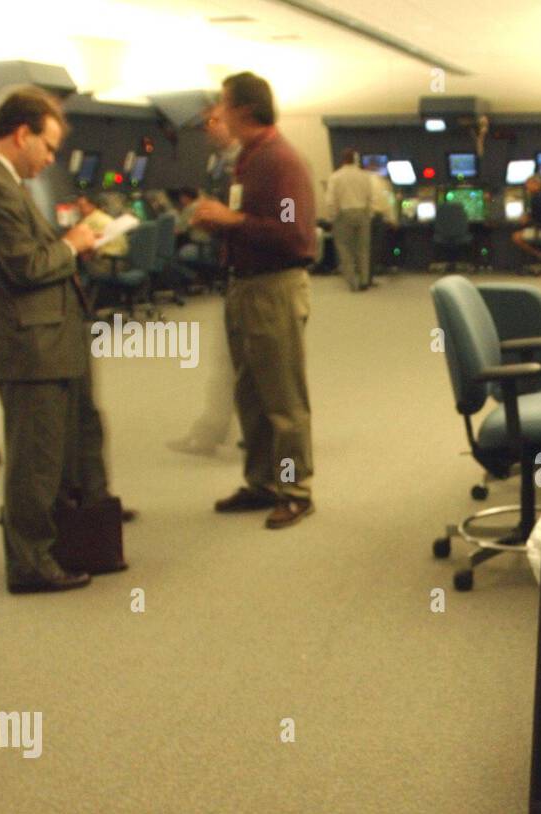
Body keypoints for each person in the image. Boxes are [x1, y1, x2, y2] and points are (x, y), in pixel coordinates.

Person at [0, 86, 118, 592]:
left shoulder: (2, 183)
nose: (49, 160)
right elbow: (22, 266)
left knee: (54, 453)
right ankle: (29, 563)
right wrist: (71, 245)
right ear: (21, 134)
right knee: (35, 461)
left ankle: (54, 543)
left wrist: (70, 248)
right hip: (29, 348)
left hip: (46, 340)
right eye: (46, 148)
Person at [192, 72, 317, 530]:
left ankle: (295, 489)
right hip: (245, 286)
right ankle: (263, 482)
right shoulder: (249, 159)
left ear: (244, 109)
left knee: (283, 399)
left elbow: (294, 234)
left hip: (274, 289)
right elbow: (252, 221)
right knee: (251, 394)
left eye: (222, 103)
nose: (216, 113)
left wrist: (233, 220)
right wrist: (224, 224)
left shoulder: (280, 161)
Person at [166, 104, 240, 458]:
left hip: (257, 277)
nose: (209, 129)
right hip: (231, 272)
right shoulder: (219, 163)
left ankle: (259, 445)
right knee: (225, 360)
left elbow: (278, 225)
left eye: (215, 121)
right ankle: (212, 431)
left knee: (251, 365)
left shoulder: (255, 161)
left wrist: (227, 220)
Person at [325, 148, 374, 291]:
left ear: (343, 160)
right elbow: (370, 197)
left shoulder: (336, 176)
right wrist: (369, 214)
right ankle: (364, 280)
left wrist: (331, 216)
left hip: (343, 213)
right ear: (356, 159)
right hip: (363, 212)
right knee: (363, 249)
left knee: (345, 248)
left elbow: (330, 200)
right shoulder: (365, 176)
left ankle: (352, 281)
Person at [75, 193, 128, 277]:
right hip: (122, 263)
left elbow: (79, 245)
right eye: (77, 206)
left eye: (81, 206)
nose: (79, 209)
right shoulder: (104, 217)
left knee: (73, 263)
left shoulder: (89, 220)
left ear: (92, 205)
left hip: (107, 265)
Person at [511, 174, 541, 267]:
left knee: (516, 237)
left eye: (528, 184)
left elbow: (536, 219)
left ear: (536, 184)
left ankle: (538, 254)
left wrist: (526, 219)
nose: (527, 187)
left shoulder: (537, 198)